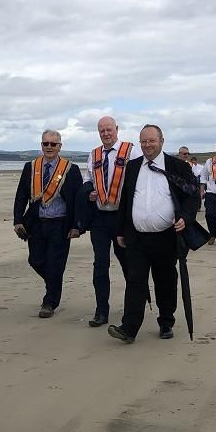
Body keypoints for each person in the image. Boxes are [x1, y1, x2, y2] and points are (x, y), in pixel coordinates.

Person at [107, 124, 200, 344]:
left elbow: (193, 196)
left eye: (152, 141)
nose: (147, 145)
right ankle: (128, 329)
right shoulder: (132, 167)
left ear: (161, 141)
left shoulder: (178, 166)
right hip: (137, 237)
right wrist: (121, 229)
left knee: (165, 281)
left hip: (166, 237)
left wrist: (185, 218)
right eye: (144, 141)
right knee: (135, 281)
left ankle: (166, 322)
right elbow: (125, 200)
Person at [13, 130, 83, 318]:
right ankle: (54, 283)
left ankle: (49, 302)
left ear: (60, 146)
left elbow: (77, 200)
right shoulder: (31, 167)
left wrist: (77, 225)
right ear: (41, 145)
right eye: (46, 144)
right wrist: (17, 220)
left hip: (60, 225)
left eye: (53, 144)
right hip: (35, 223)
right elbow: (21, 195)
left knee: (54, 264)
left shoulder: (71, 169)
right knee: (35, 260)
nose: (49, 147)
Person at [82, 116, 135, 327]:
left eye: (109, 129)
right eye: (102, 130)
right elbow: (87, 180)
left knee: (128, 264)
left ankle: (132, 309)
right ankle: (101, 311)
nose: (106, 133)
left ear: (117, 129)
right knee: (100, 265)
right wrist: (89, 193)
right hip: (99, 218)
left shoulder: (132, 151)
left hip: (122, 218)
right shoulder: (93, 154)